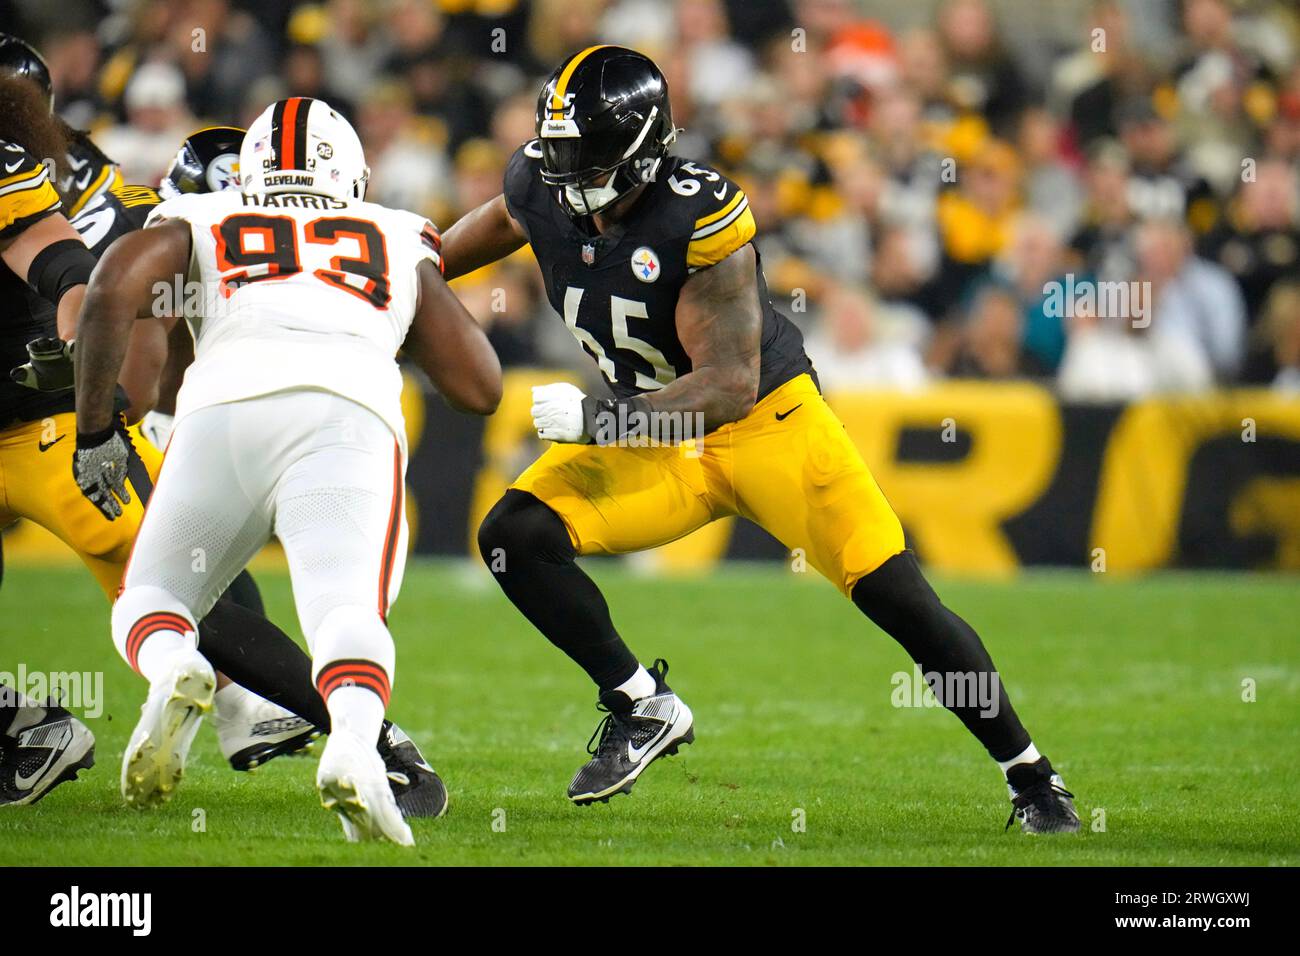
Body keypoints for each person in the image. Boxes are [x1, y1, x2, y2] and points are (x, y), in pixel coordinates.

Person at [443, 45, 1079, 832]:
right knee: (515, 535)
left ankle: (1033, 779)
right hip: (656, 432)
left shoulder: (700, 217)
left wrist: (597, 419)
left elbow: (727, 384)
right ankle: (643, 705)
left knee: (898, 597)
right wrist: (408, 268)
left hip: (764, 423)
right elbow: (492, 227)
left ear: (643, 149)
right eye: (558, 156)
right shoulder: (541, 183)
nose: (564, 178)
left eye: (585, 159)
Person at [71, 98, 501, 844]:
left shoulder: (204, 215)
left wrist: (92, 430)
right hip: (346, 419)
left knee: (150, 599)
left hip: (222, 415)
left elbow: (113, 283)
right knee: (345, 614)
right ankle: (356, 747)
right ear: (351, 173)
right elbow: (479, 386)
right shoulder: (393, 230)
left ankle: (173, 667)